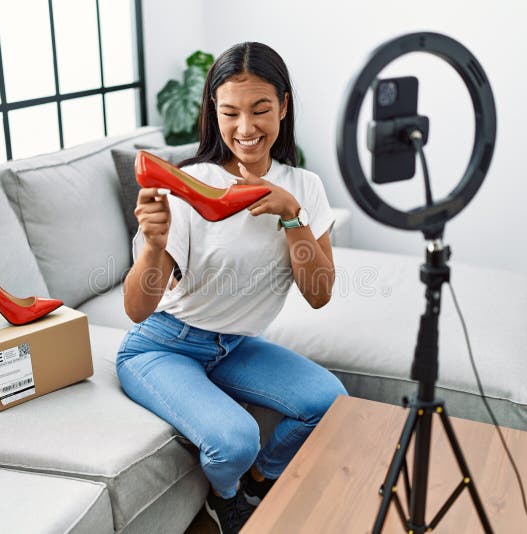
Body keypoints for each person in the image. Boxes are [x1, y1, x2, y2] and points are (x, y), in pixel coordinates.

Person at [117, 41, 348, 534]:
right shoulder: (190, 186)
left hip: (234, 346)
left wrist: (292, 217)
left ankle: (261, 480)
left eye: (261, 109)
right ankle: (224, 500)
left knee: (328, 400)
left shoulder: (304, 187)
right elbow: (138, 309)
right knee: (236, 439)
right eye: (230, 113)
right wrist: (155, 246)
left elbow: (320, 293)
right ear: (214, 115)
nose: (246, 129)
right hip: (162, 348)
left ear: (283, 106)